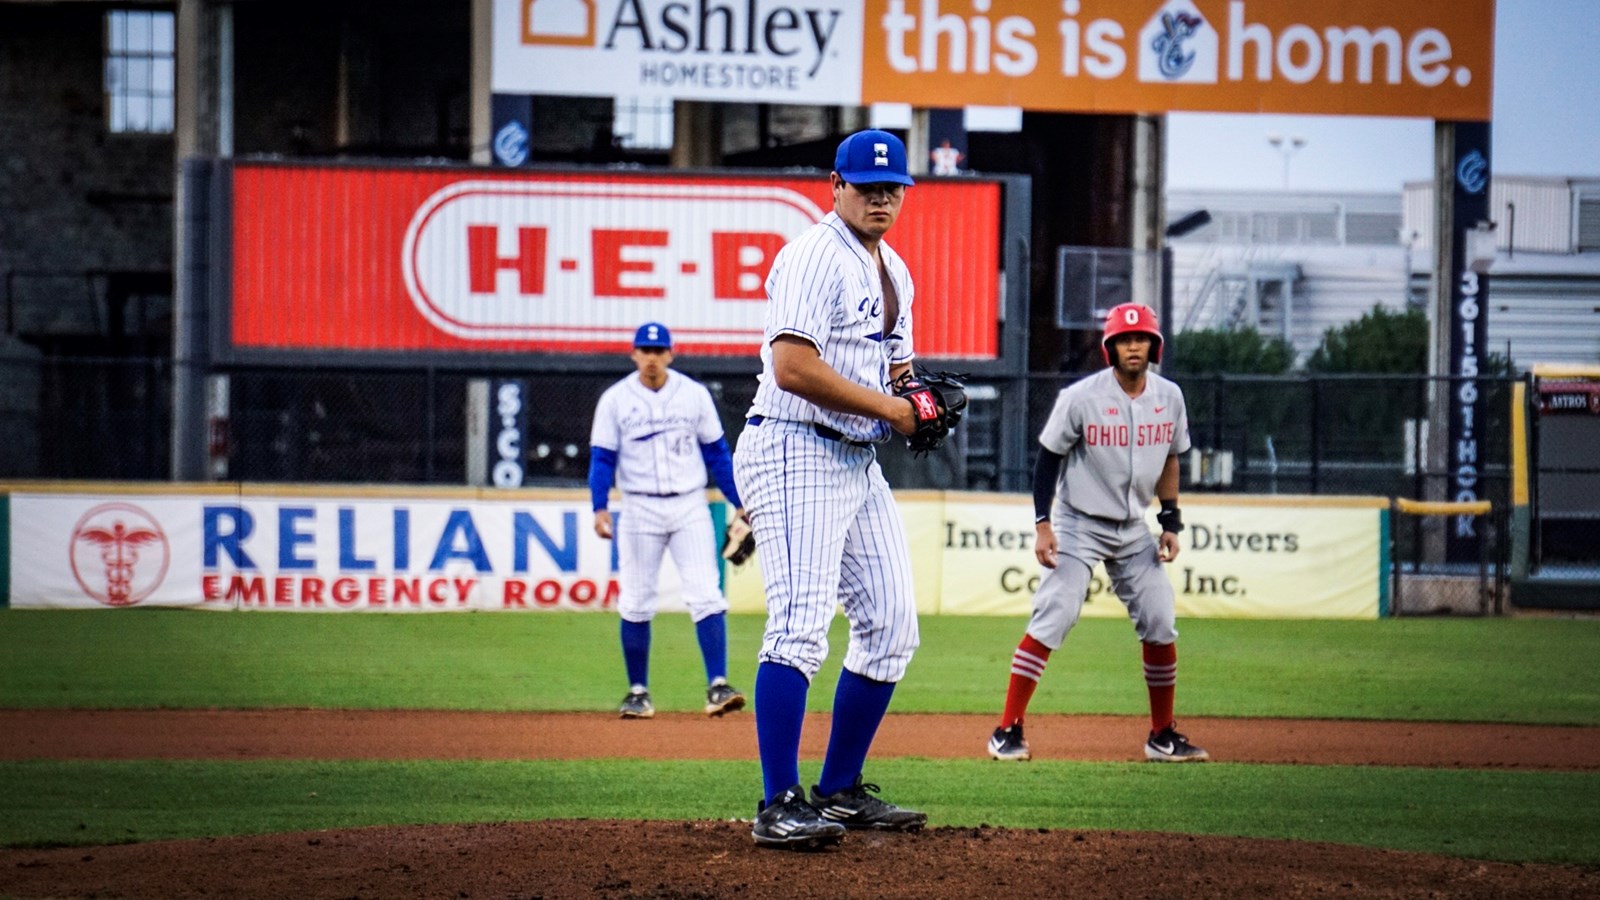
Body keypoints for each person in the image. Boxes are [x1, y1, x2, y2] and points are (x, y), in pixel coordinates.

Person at [732, 129, 930, 849]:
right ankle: (777, 802)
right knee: (798, 628)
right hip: (793, 445)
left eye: (891, 188)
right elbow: (791, 366)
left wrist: (919, 398)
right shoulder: (814, 255)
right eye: (866, 185)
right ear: (835, 185)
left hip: (854, 459)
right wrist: (893, 409)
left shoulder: (894, 271)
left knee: (892, 626)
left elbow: (898, 371)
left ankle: (840, 789)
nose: (880, 197)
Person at [987, 302, 1210, 764]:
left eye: (1141, 338)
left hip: (1133, 527)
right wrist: (1042, 524)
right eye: (1125, 339)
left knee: (1160, 619)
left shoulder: (1169, 397)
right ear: (1111, 347)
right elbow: (1048, 458)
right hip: (1079, 521)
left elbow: (1172, 457)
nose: (1134, 346)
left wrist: (1170, 520)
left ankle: (1162, 734)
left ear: (1153, 346)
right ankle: (1007, 729)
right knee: (1056, 613)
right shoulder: (1081, 397)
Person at [588, 322, 747, 720]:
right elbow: (602, 458)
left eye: (659, 350)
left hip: (689, 504)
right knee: (637, 600)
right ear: (634, 354)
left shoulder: (693, 395)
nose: (652, 357)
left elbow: (716, 455)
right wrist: (599, 506)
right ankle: (638, 692)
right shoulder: (615, 399)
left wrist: (739, 502)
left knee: (706, 593)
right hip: (639, 507)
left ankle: (718, 685)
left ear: (671, 354)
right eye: (645, 349)